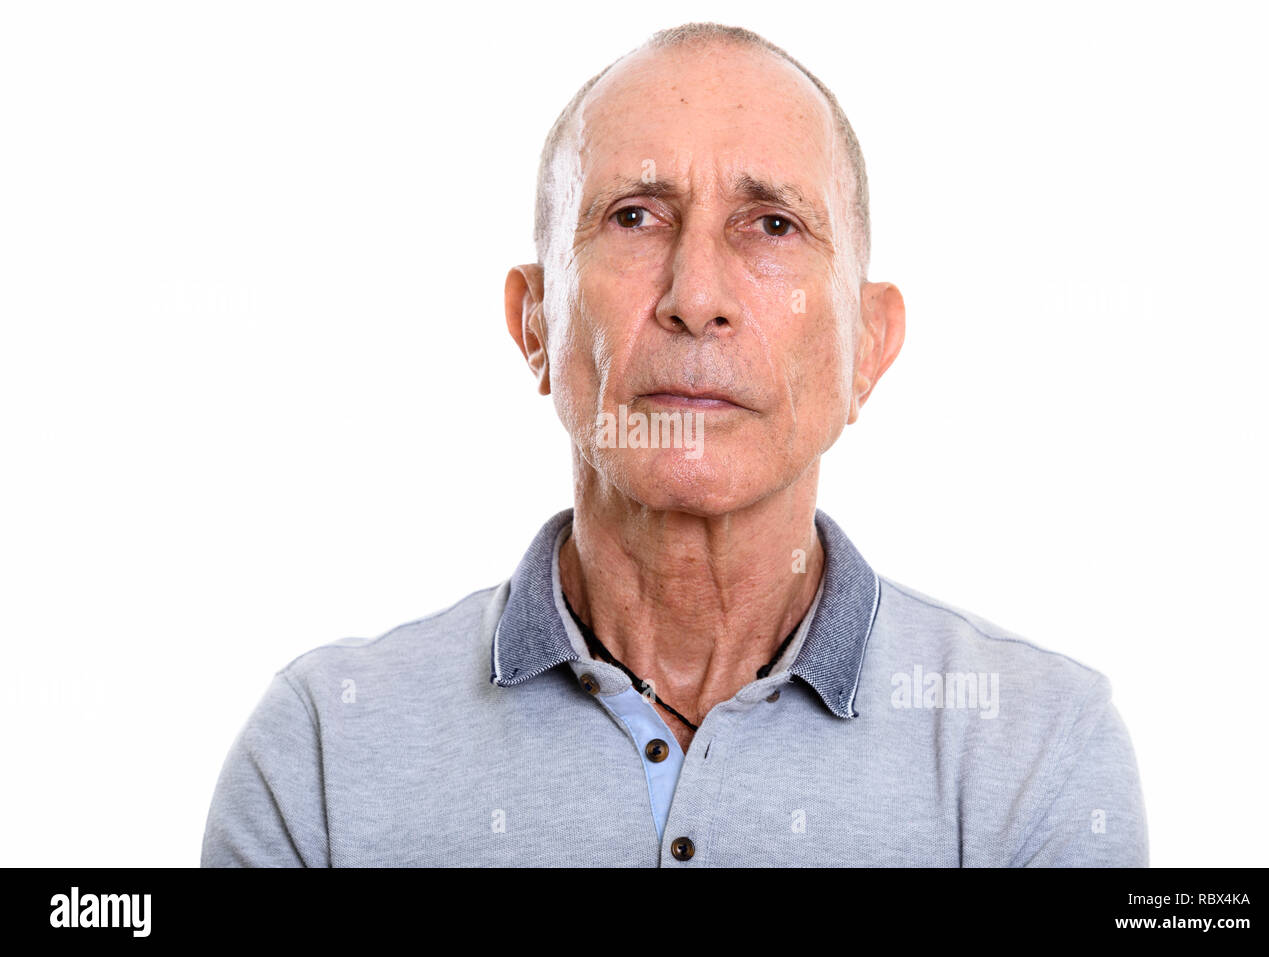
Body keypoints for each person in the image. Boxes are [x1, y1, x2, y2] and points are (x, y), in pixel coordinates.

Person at [201, 21, 1148, 867]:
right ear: (535, 324)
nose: (696, 296)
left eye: (771, 223)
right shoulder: (322, 751)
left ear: (869, 346)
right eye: (635, 217)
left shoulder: (1039, 750)